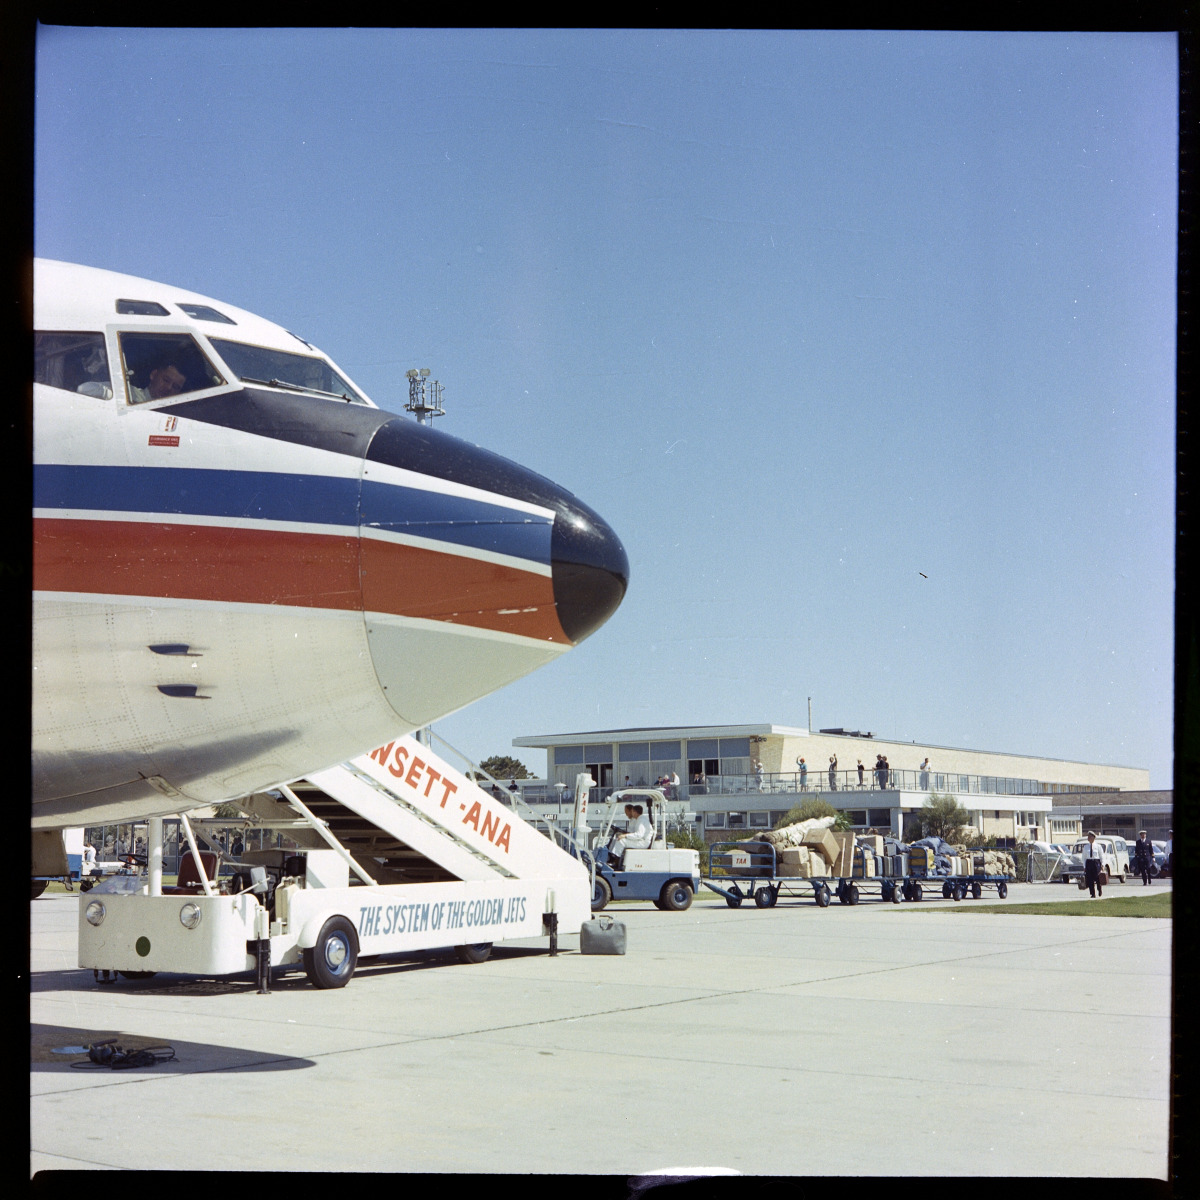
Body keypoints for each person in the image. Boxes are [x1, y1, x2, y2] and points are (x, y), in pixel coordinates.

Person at [610, 803, 652, 867]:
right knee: (619, 839)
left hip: (643, 842)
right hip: (641, 840)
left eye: (632, 812)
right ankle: (613, 859)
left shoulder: (641, 820)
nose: (631, 814)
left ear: (635, 812)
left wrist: (625, 836)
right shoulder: (640, 819)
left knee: (621, 841)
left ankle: (615, 863)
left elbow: (639, 835)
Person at [1081, 831, 1105, 898]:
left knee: (1097, 878)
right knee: (1090, 879)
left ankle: (1099, 890)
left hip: (1096, 862)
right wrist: (1084, 866)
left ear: (1093, 837)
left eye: (1089, 837)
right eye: (1088, 837)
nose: (1088, 838)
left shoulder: (1098, 846)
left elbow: (1101, 856)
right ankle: (1092, 894)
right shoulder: (1086, 847)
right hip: (1089, 863)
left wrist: (1102, 864)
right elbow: (1084, 857)